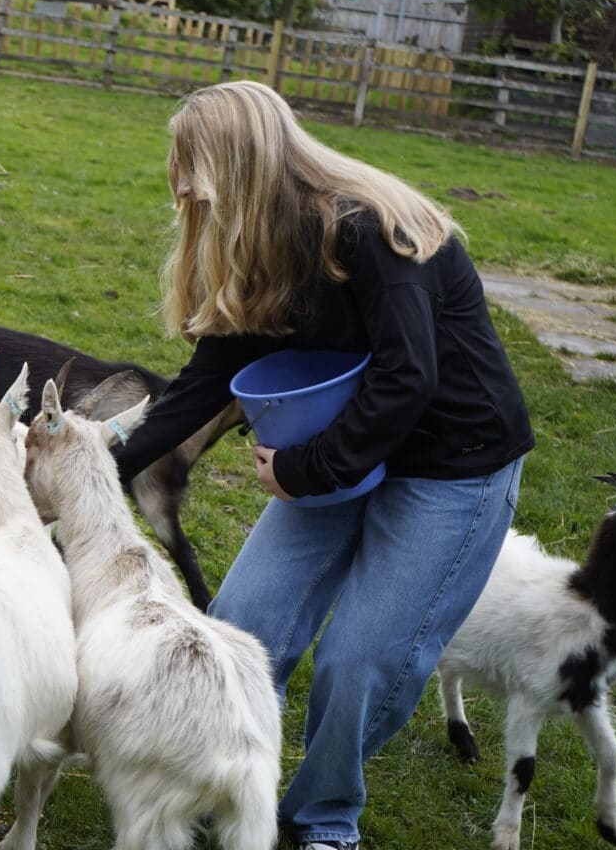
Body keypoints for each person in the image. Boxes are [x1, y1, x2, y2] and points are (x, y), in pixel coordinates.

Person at [111, 80, 533, 850]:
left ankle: (319, 818)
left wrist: (305, 472)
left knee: (362, 660)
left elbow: (410, 377)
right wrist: (95, 469)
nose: (178, 185)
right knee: (244, 627)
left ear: (239, 165)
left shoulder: (371, 230)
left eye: (189, 164)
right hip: (338, 448)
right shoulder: (262, 244)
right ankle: (218, 789)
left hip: (452, 465)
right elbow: (202, 385)